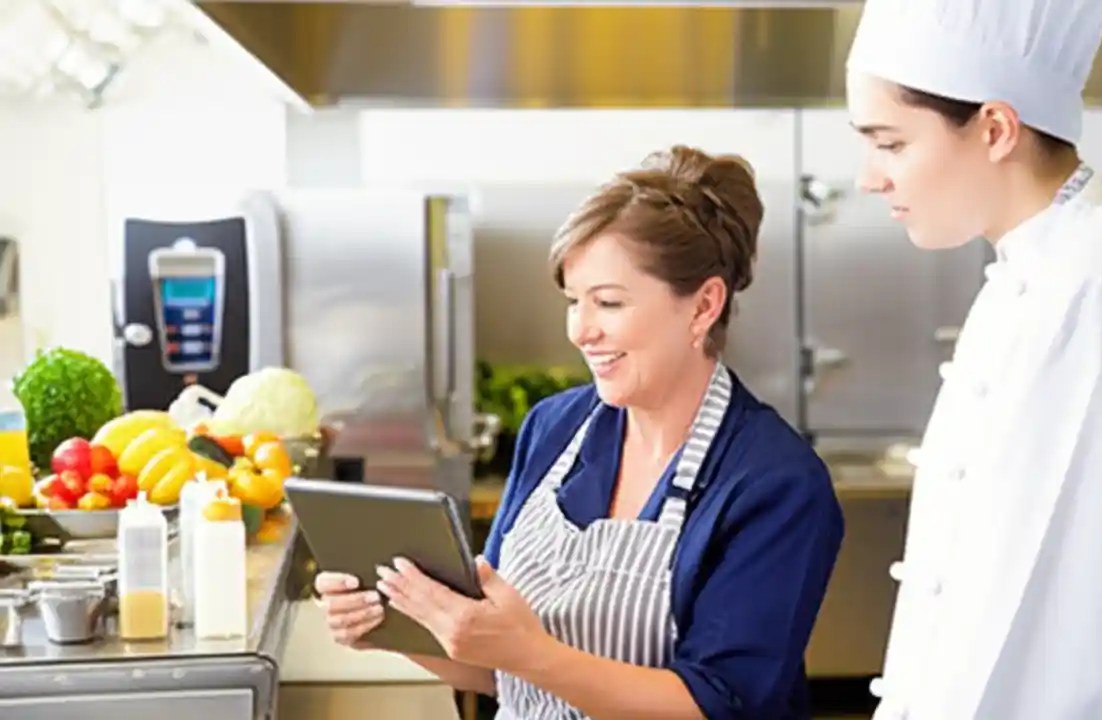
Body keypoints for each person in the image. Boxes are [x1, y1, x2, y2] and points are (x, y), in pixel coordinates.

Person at [314, 145, 845, 719]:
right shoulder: (555, 428)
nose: (582, 331)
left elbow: (721, 705)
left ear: (703, 306)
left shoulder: (776, 483)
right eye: (573, 302)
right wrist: (392, 626)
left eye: (609, 303)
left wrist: (532, 654)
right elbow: (499, 668)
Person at [843, 1, 1102, 719]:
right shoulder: (1040, 270)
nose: (870, 177)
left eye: (890, 143)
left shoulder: (1097, 293)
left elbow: (1079, 638)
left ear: (995, 129)